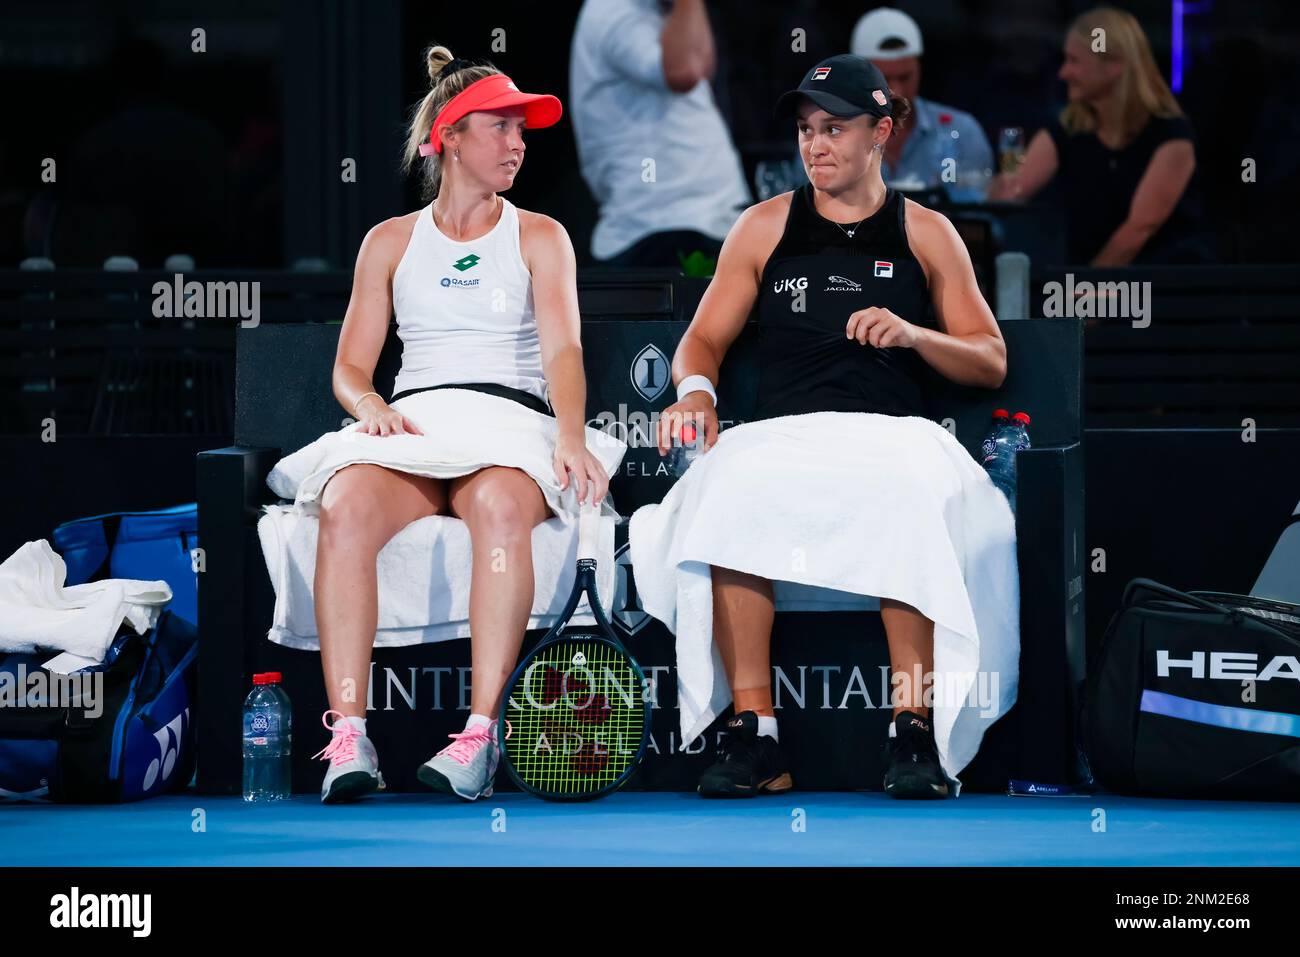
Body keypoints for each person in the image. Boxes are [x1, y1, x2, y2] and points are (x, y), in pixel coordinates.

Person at [628, 54, 1019, 800]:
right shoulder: (763, 226)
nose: (815, 145)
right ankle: (756, 734)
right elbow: (701, 341)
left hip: (896, 433)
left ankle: (913, 726)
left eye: (834, 128)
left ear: (881, 132)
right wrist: (698, 393)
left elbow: (990, 358)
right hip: (784, 434)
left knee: (910, 490)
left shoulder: (928, 233)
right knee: (728, 482)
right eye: (807, 130)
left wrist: (914, 336)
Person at [267, 46, 627, 803]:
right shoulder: (390, 241)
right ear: (450, 138)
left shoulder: (541, 235)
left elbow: (564, 345)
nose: (519, 142)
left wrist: (569, 433)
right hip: (422, 422)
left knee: (499, 507)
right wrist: (371, 409)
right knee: (345, 506)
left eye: (523, 130)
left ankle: (478, 735)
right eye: (501, 127)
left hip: (509, 421)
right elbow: (351, 370)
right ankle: (349, 736)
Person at [986, 7, 1211, 265]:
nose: (1063, 73)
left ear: (1114, 66)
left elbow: (1139, 229)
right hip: (1088, 291)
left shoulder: (1171, 135)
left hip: (1167, 287)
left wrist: (1082, 292)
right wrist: (1000, 171)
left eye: (1074, 61)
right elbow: (1012, 190)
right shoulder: (1067, 129)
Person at [570, 0, 752, 269]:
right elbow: (684, 71)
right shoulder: (613, 9)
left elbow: (702, 65)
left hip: (704, 220)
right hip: (665, 226)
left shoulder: (655, 10)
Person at [848, 7, 994, 201]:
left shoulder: (961, 132)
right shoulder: (830, 133)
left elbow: (979, 219)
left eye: (905, 77)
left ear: (919, 69)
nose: (896, 92)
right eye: (884, 79)